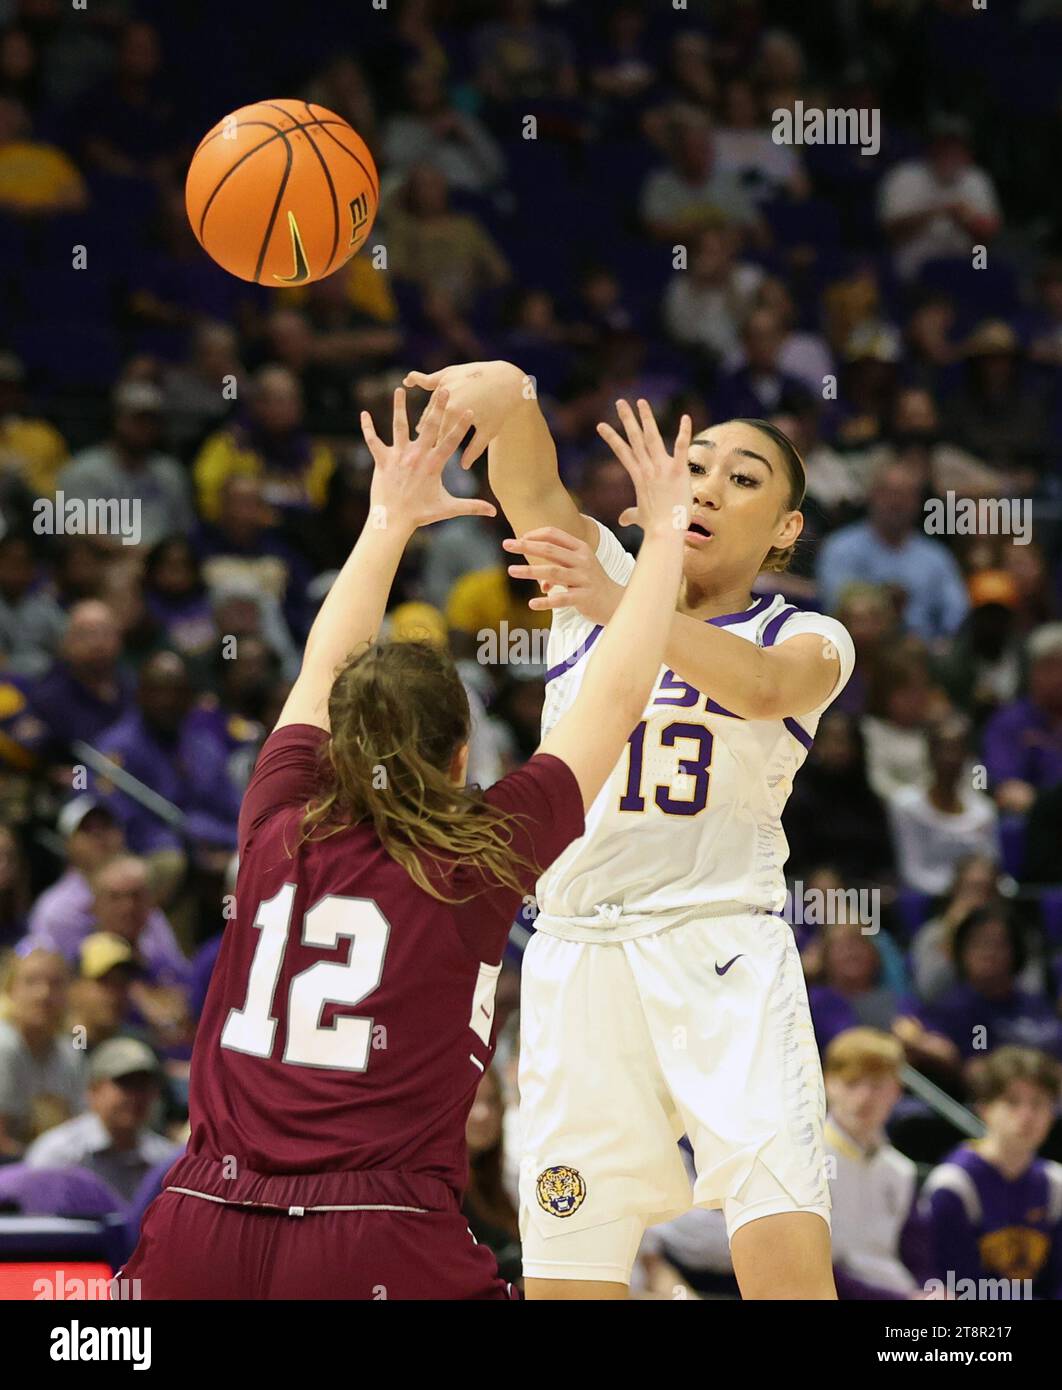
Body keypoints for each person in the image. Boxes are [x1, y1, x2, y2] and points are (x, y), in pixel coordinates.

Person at [123, 383, 693, 1300]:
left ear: (334, 746)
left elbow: (320, 667)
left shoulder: (273, 827)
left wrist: (387, 516)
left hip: (200, 1217)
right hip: (371, 1237)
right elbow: (617, 698)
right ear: (463, 752)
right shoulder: (481, 856)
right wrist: (664, 538)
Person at [404, 358, 859, 1300]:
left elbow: (766, 691)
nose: (710, 487)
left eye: (744, 480)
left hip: (720, 951)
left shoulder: (806, 636)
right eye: (697, 466)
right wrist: (511, 393)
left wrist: (623, 605)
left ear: (785, 530)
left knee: (781, 1249)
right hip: (578, 956)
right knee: (572, 1264)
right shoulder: (596, 572)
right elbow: (527, 484)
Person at [919, 1047, 1062, 1297]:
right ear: (985, 1109)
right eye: (1012, 1102)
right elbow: (961, 1287)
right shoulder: (954, 1184)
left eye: (1038, 1103)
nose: (1026, 1116)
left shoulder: (1055, 1183)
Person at [822, 1029, 926, 1300]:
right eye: (852, 1083)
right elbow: (815, 1266)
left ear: (896, 1091)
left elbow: (919, 1257)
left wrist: (934, 1290)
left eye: (877, 1085)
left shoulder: (900, 1170)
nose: (865, 1097)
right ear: (827, 1083)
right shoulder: (806, 1158)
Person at [24, 1037, 179, 1204]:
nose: (136, 1096)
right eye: (126, 1083)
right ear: (93, 1090)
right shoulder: (59, 1153)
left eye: (144, 1085)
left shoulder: (165, 1160)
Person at [886, 715, 998, 896]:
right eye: (944, 750)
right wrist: (955, 891)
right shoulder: (905, 806)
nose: (950, 759)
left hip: (979, 897)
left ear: (967, 756)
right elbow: (911, 871)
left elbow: (991, 863)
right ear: (930, 753)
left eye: (957, 750)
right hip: (931, 901)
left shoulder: (983, 811)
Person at [0, 946, 83, 1157]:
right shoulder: (5, 1045)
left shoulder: (70, 1053)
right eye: (31, 982)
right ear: (10, 990)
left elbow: (78, 1130)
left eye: (55, 984)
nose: (44, 994)